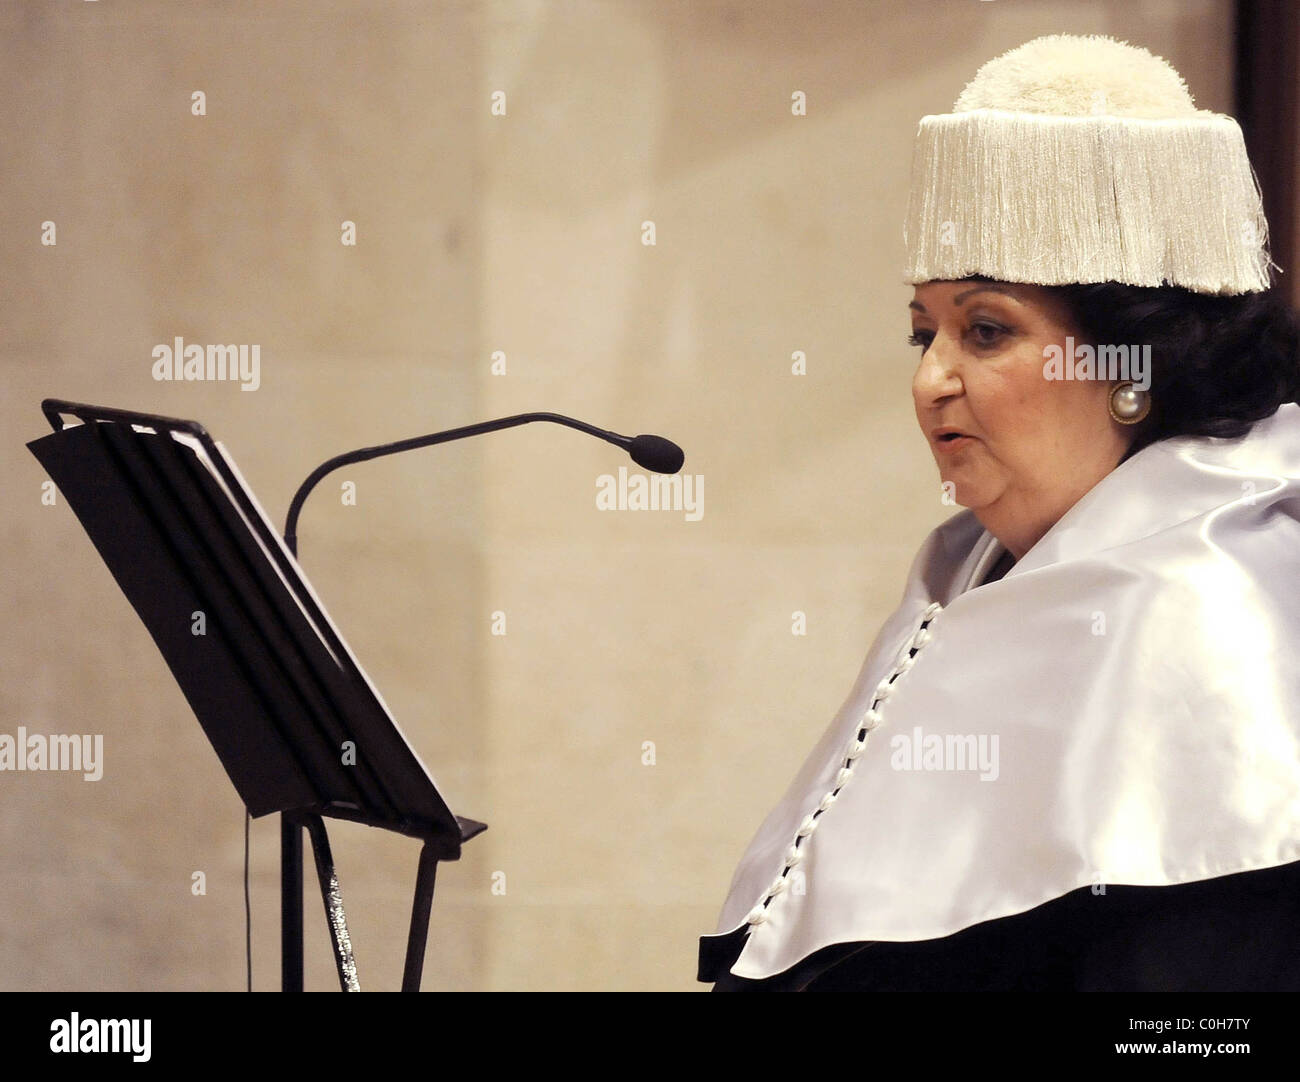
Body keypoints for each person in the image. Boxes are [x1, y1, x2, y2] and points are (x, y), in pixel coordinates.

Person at [699, 33, 1300, 991]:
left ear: (1132, 365)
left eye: (985, 331)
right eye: (921, 331)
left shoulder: (1215, 607)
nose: (930, 379)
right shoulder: (965, 563)